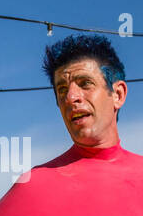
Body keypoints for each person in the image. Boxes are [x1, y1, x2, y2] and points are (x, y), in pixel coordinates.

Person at [41, 33, 130, 162]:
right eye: (62, 90)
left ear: (118, 94)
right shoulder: (33, 182)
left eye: (85, 83)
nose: (70, 97)